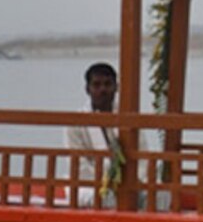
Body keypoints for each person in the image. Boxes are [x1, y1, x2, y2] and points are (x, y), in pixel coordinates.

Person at [66, 62, 155, 207]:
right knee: (108, 198)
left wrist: (134, 180)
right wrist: (110, 181)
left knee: (161, 194)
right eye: (97, 85)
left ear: (116, 87)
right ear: (87, 89)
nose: (103, 90)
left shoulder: (128, 118)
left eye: (108, 84)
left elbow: (143, 155)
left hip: (131, 183)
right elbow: (80, 166)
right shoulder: (76, 124)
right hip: (89, 185)